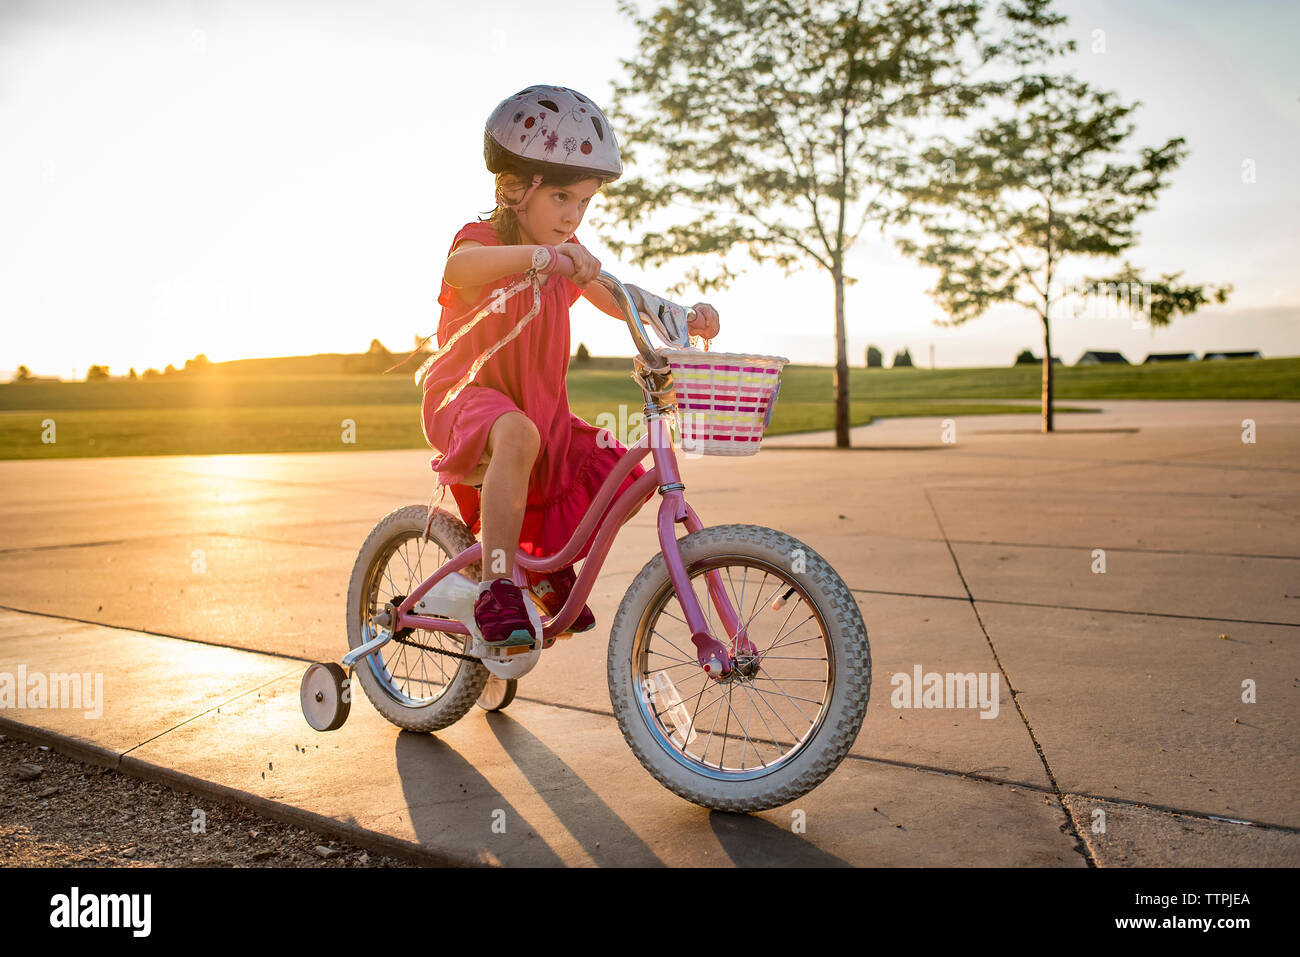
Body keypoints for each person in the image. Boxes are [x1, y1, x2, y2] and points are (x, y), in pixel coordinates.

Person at [418, 85, 721, 648]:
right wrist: (545, 259)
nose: (572, 215)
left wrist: (678, 314)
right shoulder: (484, 240)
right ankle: (499, 584)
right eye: (561, 197)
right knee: (517, 432)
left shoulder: (569, 256)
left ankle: (542, 565)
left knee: (618, 472)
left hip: (538, 409)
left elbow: (616, 295)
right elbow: (461, 269)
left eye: (583, 202)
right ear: (514, 188)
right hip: (466, 399)